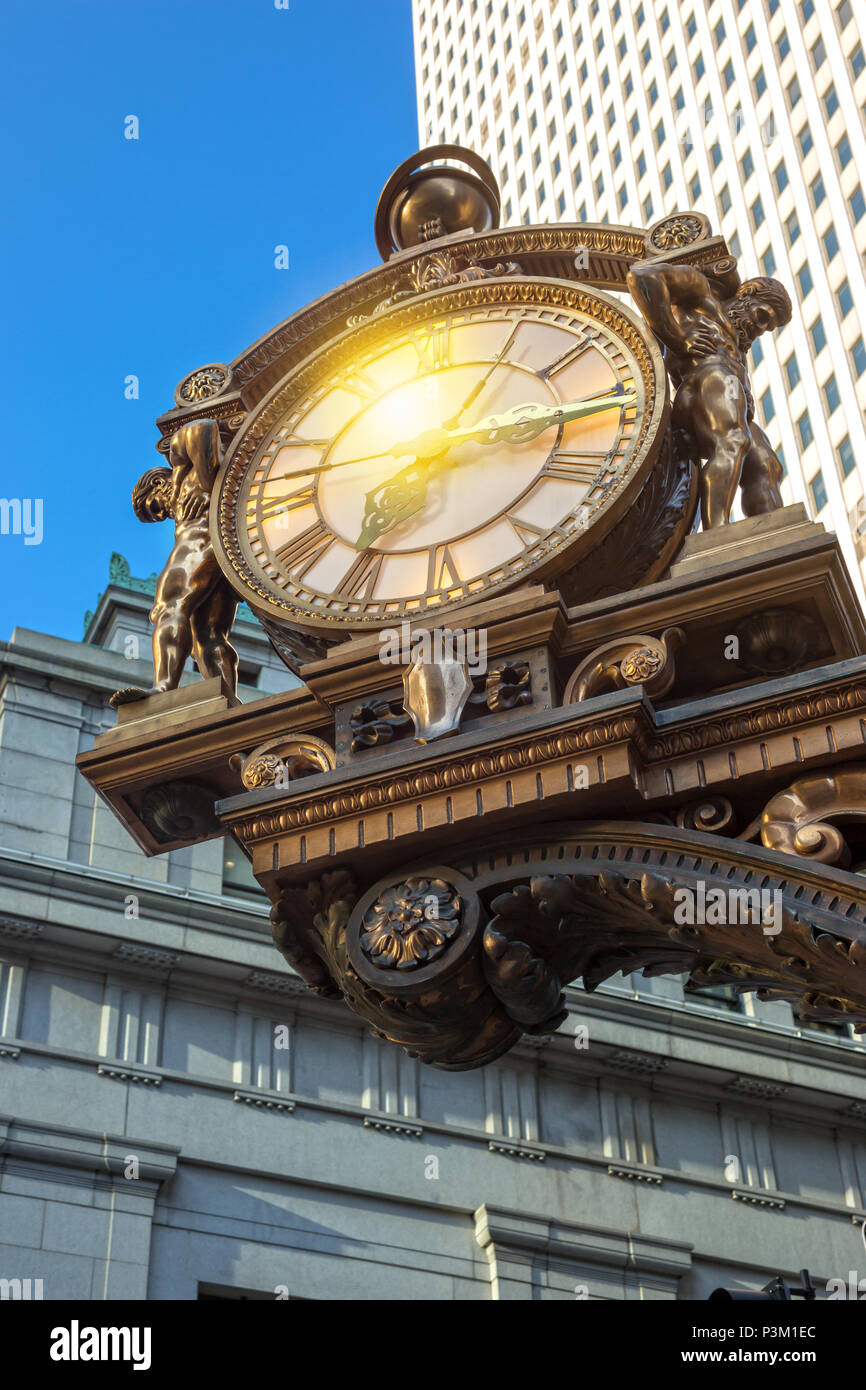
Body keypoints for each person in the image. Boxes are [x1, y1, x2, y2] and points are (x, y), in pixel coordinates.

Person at [627, 261, 792, 528]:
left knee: (767, 463)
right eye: (762, 316)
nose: (760, 328)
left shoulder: (738, 346)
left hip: (721, 392)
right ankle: (718, 532)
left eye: (768, 327)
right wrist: (677, 337)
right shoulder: (702, 296)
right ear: (746, 296)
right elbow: (643, 277)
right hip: (700, 387)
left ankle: (771, 535)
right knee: (734, 440)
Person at [110, 419, 238, 707]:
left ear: (157, 482)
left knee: (168, 607)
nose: (164, 512)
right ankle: (228, 702)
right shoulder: (220, 473)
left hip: (196, 548)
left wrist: (204, 482)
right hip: (225, 551)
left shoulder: (182, 467)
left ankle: (165, 686)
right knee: (208, 635)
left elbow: (201, 426)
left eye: (155, 507)